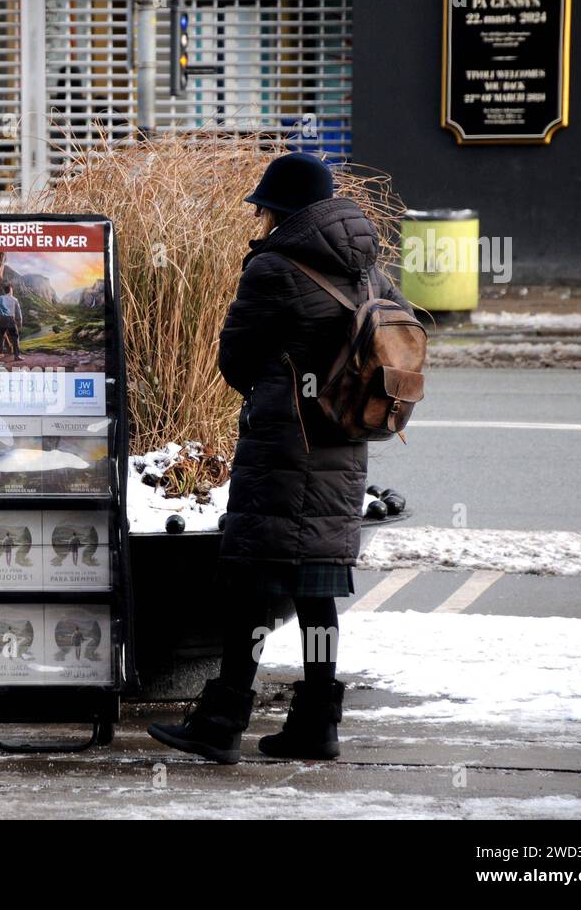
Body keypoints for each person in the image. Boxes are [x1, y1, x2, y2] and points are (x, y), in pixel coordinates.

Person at [148, 152, 415, 765]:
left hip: (281, 447)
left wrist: (277, 389)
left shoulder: (273, 266)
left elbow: (236, 359)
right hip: (344, 448)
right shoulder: (370, 268)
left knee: (249, 585)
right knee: (317, 594)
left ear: (284, 209)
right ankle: (317, 725)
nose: (261, 213)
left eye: (266, 204)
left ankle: (220, 723)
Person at [0, 283, 23, 359]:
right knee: (15, 338)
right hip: (11, 319)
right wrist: (20, 321)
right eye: (12, 290)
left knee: (1, 337)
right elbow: (18, 312)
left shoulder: (0, 298)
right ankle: (17, 356)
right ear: (10, 290)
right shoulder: (15, 299)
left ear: (5, 291)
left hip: (3, 320)